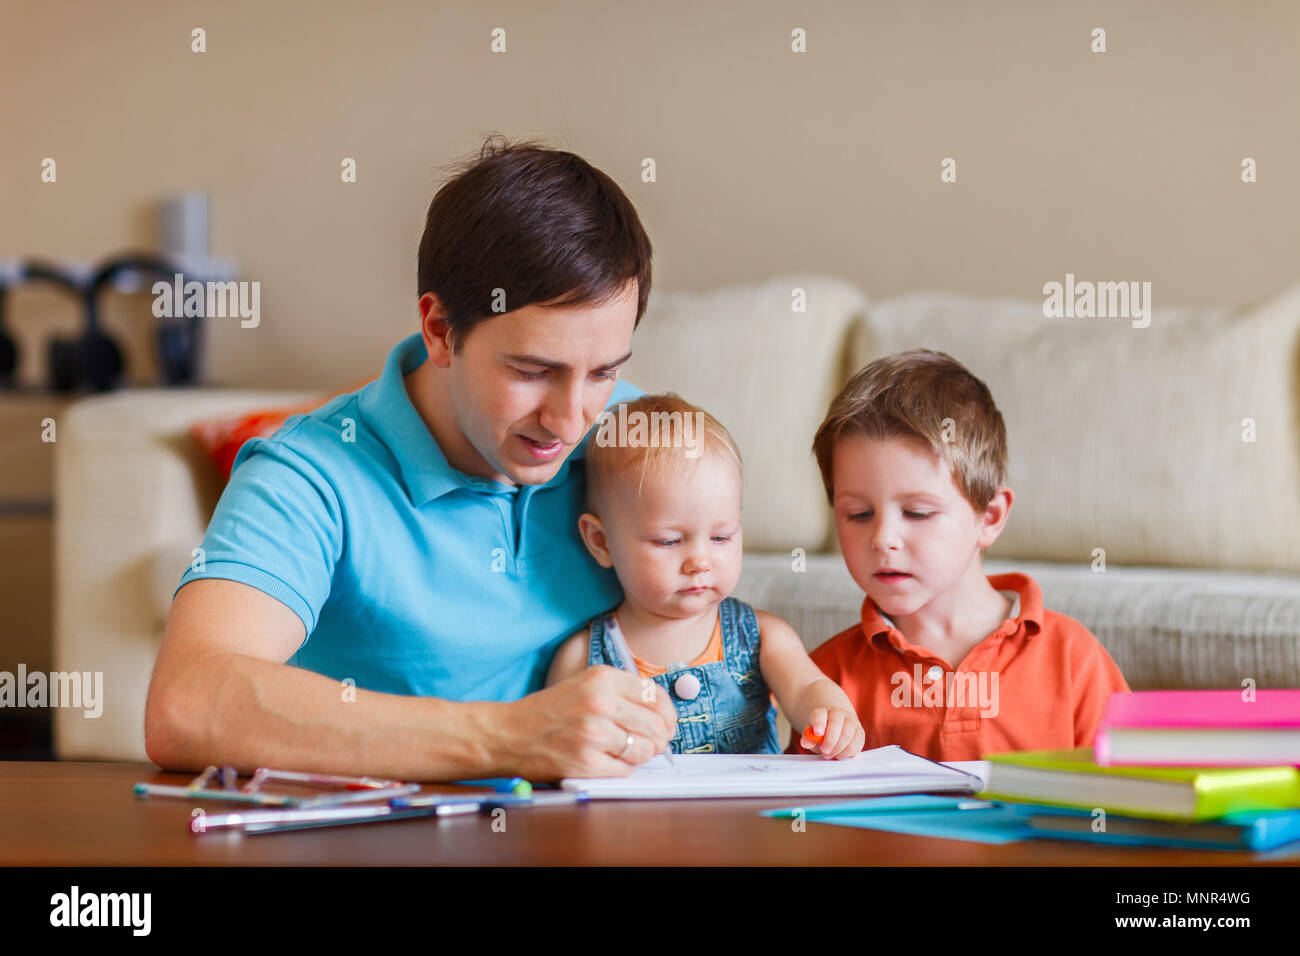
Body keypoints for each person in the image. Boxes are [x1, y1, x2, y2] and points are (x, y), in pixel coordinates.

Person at [145, 137, 677, 782]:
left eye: (603, 372)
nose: (570, 422)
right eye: (533, 370)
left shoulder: (630, 436)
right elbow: (186, 702)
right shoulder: (311, 474)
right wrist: (506, 736)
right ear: (439, 329)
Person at [795, 350, 1130, 761]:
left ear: (988, 517)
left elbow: (1131, 791)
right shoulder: (824, 678)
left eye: (917, 513)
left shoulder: (1071, 658)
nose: (882, 538)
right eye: (859, 514)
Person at [546, 393, 864, 758]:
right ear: (601, 542)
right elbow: (556, 748)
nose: (699, 561)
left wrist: (832, 716)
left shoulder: (763, 636)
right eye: (669, 541)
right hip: (635, 815)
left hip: (748, 812)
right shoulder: (582, 658)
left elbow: (806, 686)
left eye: (720, 537)